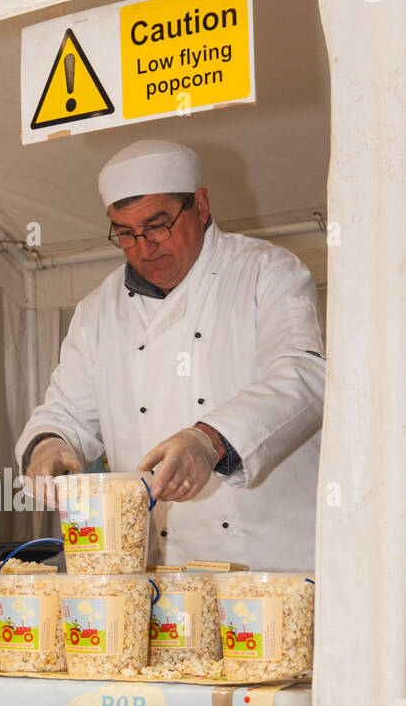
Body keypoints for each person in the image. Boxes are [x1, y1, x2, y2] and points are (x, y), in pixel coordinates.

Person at [17, 140, 325, 571]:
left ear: (200, 207)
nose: (144, 248)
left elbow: (304, 376)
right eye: (125, 233)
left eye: (157, 226)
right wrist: (48, 445)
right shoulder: (97, 311)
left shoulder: (266, 272)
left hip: (272, 567)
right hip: (160, 572)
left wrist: (208, 441)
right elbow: (66, 412)